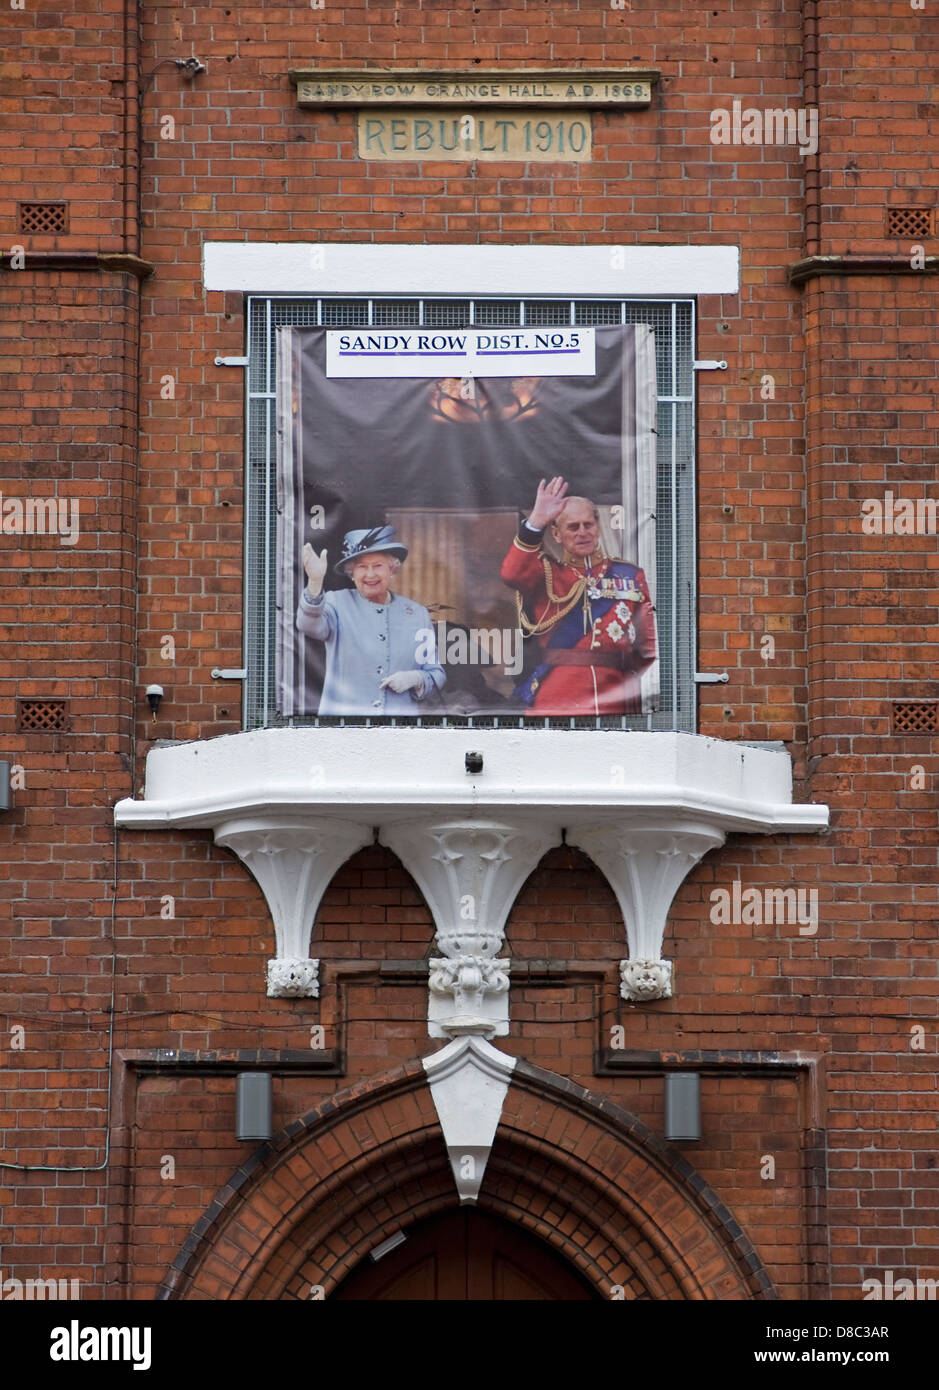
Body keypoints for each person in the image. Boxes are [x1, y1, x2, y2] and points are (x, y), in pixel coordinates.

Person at [500, 476, 656, 715]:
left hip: (614, 698)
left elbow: (648, 650)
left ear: (598, 527)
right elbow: (511, 573)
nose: (582, 532)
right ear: (557, 534)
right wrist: (535, 523)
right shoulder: (547, 574)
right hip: (558, 698)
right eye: (573, 527)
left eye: (588, 525)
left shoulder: (630, 575)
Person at [297, 525, 445, 716]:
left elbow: (436, 674)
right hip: (344, 730)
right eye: (362, 567)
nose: (370, 574)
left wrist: (416, 678)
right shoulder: (336, 603)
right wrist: (315, 584)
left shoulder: (417, 614)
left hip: (399, 731)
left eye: (378, 566)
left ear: (392, 570)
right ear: (352, 574)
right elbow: (308, 625)